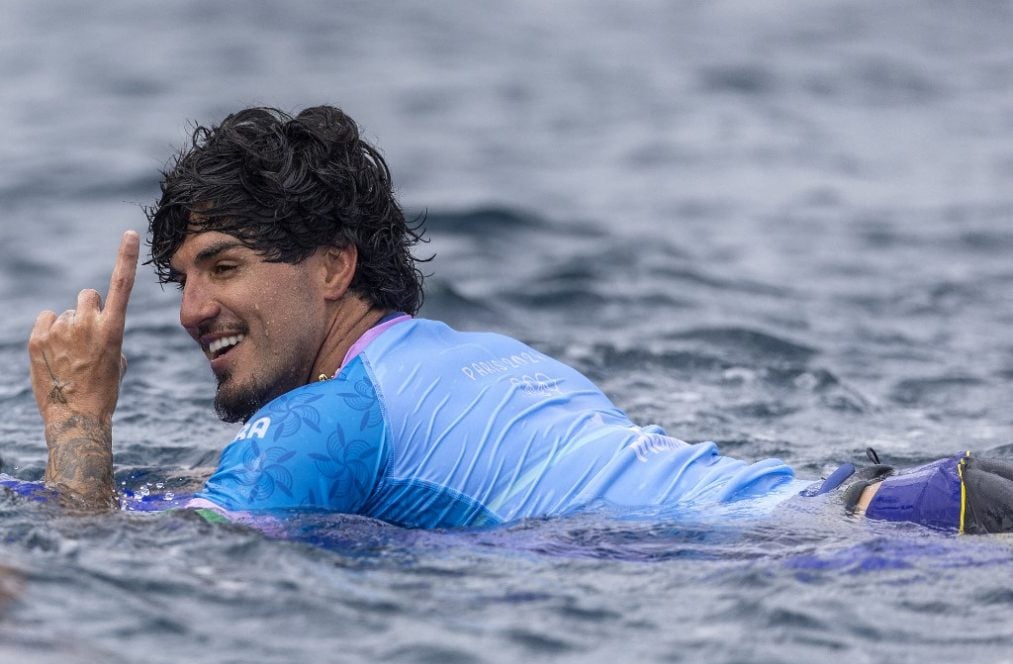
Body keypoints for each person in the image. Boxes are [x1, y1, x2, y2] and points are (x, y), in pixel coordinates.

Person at [24, 106, 1013, 534]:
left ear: (332, 266)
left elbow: (165, 568)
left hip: (872, 548)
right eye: (182, 280)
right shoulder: (490, 360)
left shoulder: (330, 420)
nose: (194, 311)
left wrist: (76, 424)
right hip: (895, 499)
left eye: (224, 268)